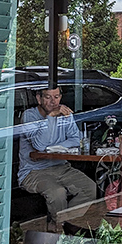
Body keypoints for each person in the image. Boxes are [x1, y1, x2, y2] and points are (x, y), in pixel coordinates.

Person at [17, 86, 96, 225]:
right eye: (48, 97)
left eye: (56, 96)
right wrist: (51, 117)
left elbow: (76, 140)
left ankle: (65, 224)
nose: (53, 102)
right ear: (39, 98)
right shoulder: (30, 116)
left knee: (90, 188)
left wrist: (53, 148)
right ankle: (60, 230)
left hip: (61, 167)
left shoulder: (64, 113)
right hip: (33, 171)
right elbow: (39, 146)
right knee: (57, 193)